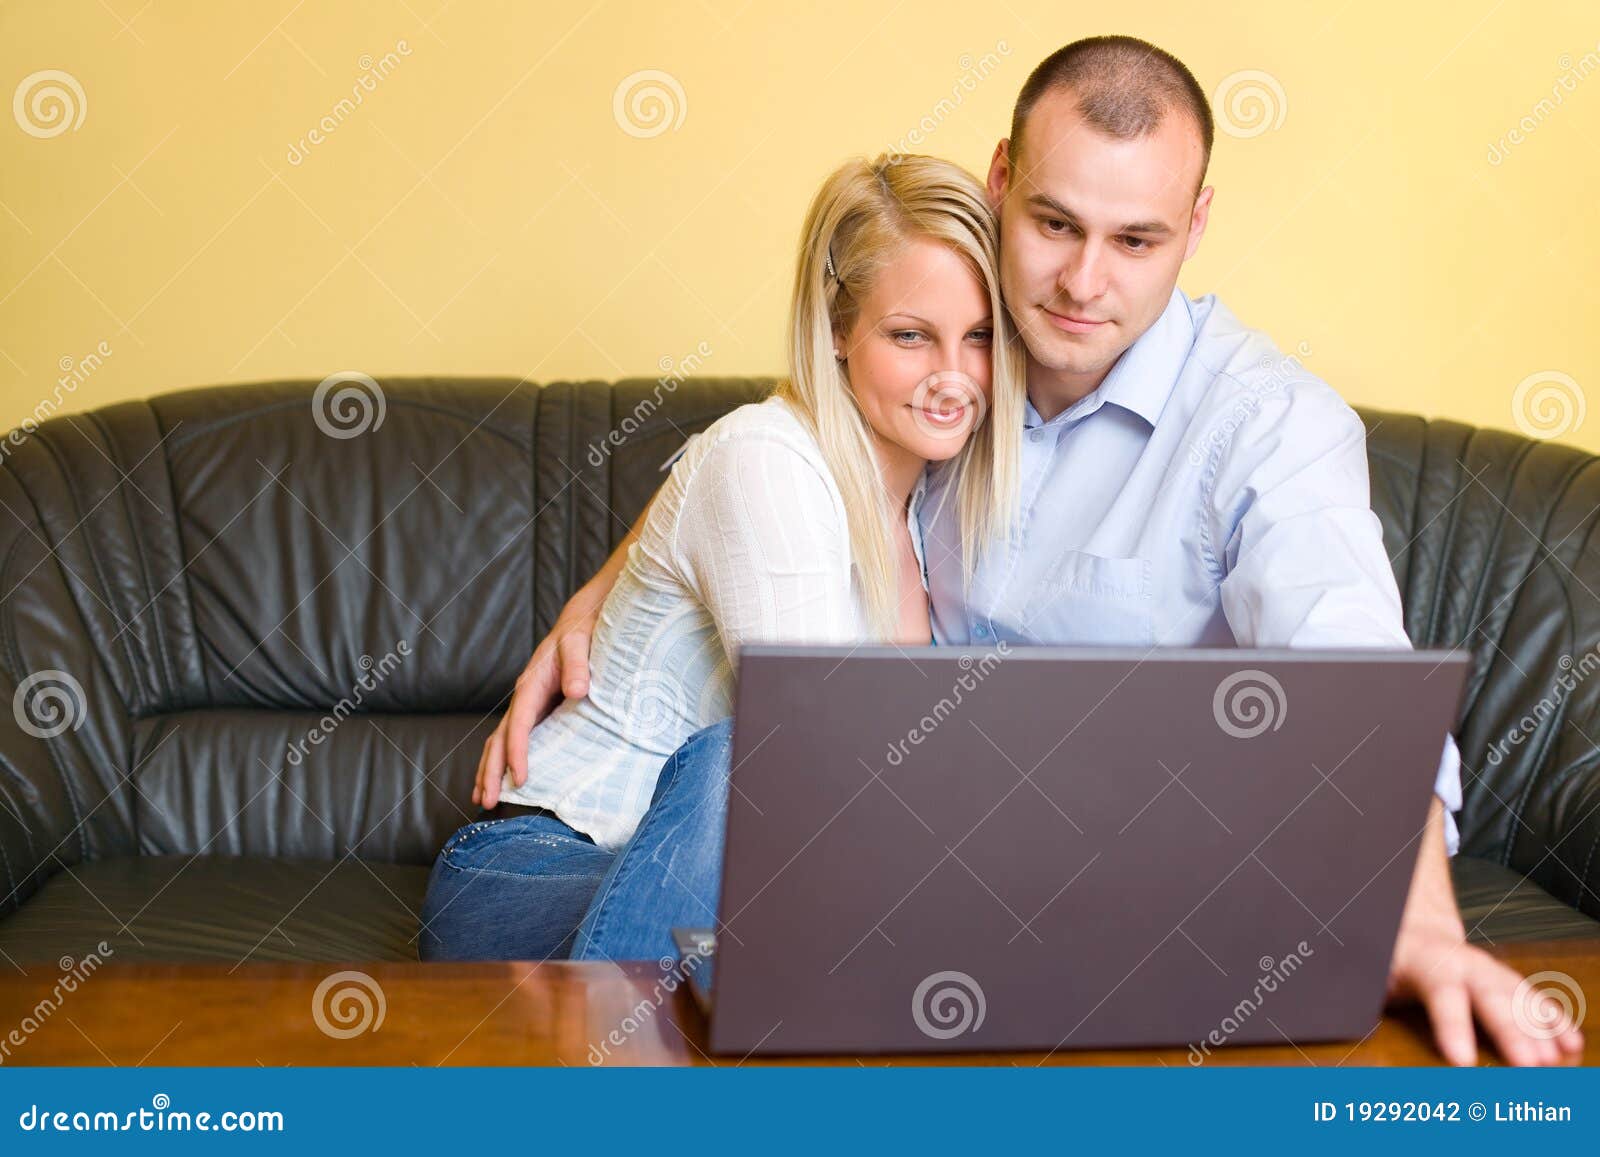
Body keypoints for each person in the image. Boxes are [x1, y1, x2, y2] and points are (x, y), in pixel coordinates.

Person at [479, 37, 1586, 1066]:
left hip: (1069, 888)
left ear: (1194, 228)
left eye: (1136, 240)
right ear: (1000, 180)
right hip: (842, 863)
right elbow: (780, 436)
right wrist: (610, 578)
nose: (1082, 283)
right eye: (1054, 223)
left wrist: (1427, 929)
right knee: (753, 781)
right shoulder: (956, 347)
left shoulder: (1267, 431)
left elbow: (1361, 709)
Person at [419, 153, 1023, 962]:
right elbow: (825, 769)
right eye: (910, 335)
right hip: (534, 870)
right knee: (749, 756)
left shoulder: (936, 502)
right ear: (837, 331)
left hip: (724, 899)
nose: (954, 376)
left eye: (979, 337)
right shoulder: (765, 460)